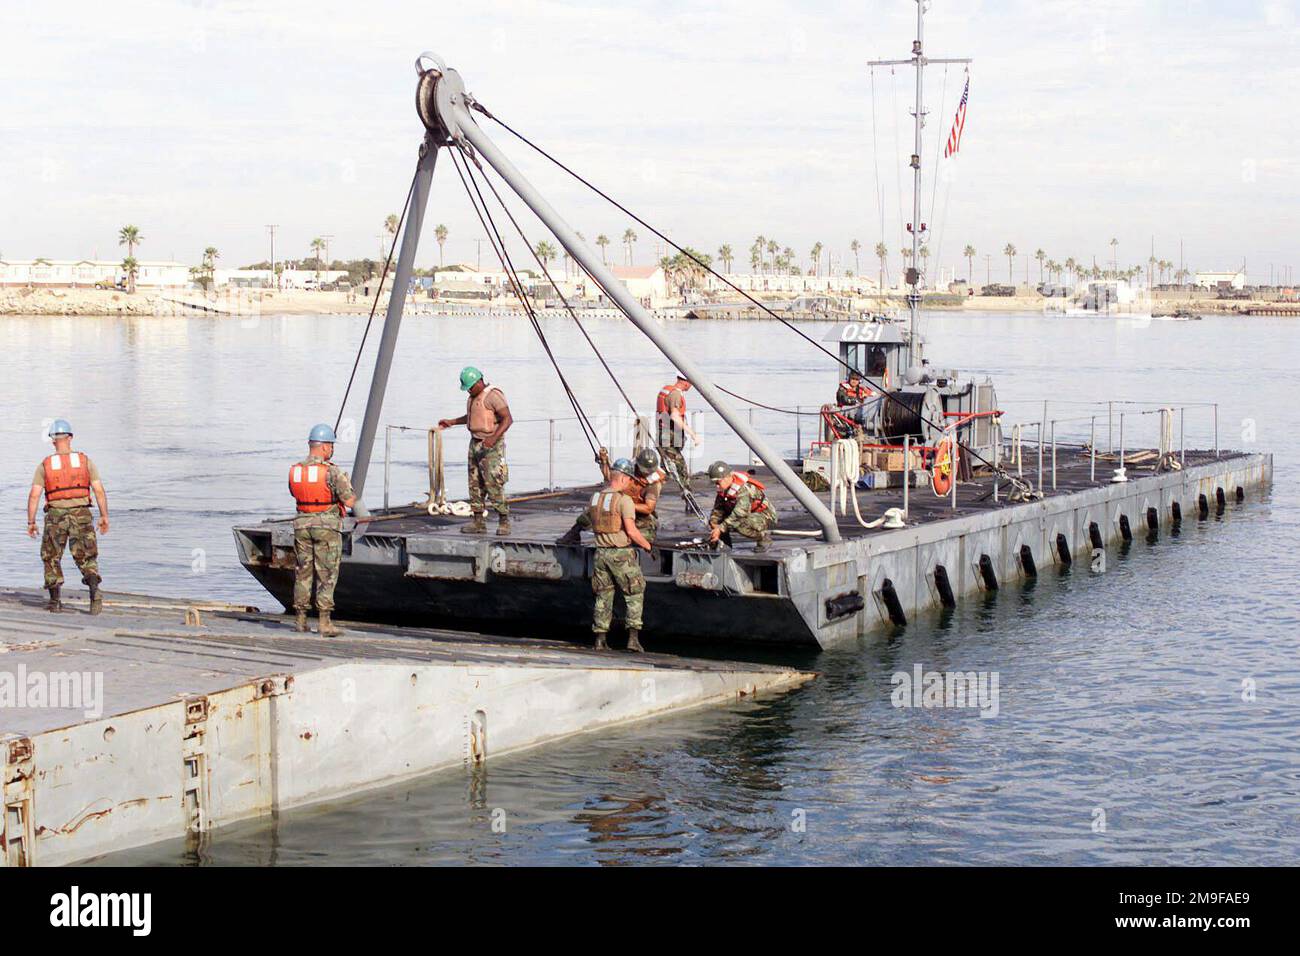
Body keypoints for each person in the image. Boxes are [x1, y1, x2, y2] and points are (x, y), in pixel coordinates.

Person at [26, 420, 109, 613]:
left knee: (51, 556)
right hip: (81, 514)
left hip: (56, 516)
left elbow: (34, 495)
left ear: (52, 440)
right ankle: (94, 591)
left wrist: (31, 522)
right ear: (70, 438)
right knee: (87, 556)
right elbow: (99, 491)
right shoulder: (85, 462)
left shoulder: (45, 465)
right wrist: (104, 516)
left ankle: (55, 602)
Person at [288, 423, 357, 636]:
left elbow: (294, 493)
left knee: (303, 572)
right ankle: (324, 622)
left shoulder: (296, 470)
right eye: (332, 445)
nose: (332, 449)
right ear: (325, 447)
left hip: (301, 526)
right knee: (326, 574)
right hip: (326, 528)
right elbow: (350, 501)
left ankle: (300, 620)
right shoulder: (332, 472)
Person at [585, 459, 653, 651]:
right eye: (629, 479)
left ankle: (600, 639)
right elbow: (631, 532)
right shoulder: (624, 501)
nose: (631, 483)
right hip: (620, 554)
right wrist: (648, 546)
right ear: (623, 478)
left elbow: (587, 520)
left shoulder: (595, 498)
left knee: (603, 596)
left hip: (600, 554)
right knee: (634, 592)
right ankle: (633, 639)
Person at [437, 366, 513, 535]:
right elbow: (473, 417)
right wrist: (452, 421)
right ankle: (478, 521)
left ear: (479, 381)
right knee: (475, 483)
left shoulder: (493, 395)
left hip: (491, 445)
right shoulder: (473, 398)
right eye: (467, 388)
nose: (469, 391)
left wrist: (493, 439)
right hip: (475, 443)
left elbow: (507, 419)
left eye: (471, 387)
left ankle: (504, 520)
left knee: (493, 482)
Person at [556, 447, 665, 547]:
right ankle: (575, 531)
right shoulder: (629, 469)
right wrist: (604, 461)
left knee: (639, 537)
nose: (645, 474)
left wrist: (625, 505)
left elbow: (648, 508)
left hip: (640, 516)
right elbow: (611, 477)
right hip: (621, 504)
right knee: (597, 506)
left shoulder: (654, 484)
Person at [706, 460, 777, 552]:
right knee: (717, 521)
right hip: (747, 515)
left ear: (727, 477)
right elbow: (717, 510)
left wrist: (720, 528)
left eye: (718, 483)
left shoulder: (743, 489)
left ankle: (764, 539)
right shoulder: (723, 490)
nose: (717, 486)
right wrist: (714, 525)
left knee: (738, 524)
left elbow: (739, 514)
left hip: (764, 516)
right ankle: (724, 545)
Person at [655, 373, 697, 485]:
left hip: (663, 434)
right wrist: (693, 434)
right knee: (680, 467)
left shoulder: (666, 389)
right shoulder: (675, 395)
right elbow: (674, 416)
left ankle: (660, 486)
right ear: (686, 382)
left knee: (666, 466)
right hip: (669, 437)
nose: (691, 385)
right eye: (691, 383)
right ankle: (686, 491)